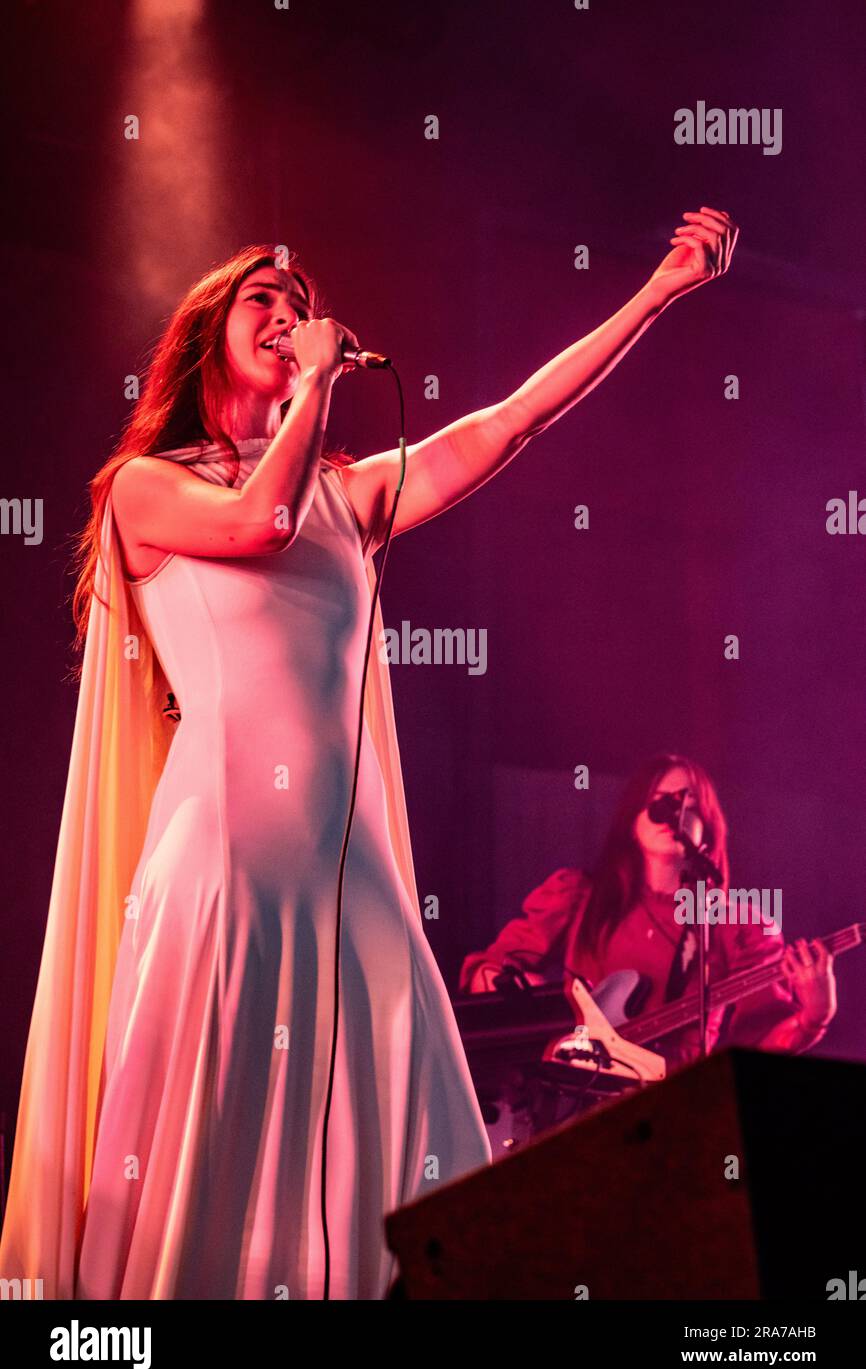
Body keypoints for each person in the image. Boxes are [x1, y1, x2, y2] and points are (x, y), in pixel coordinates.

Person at [0, 210, 738, 1300]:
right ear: (207, 334)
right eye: (263, 299)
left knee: (421, 1176)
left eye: (299, 307)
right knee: (215, 1165)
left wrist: (657, 292)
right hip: (225, 871)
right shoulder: (147, 488)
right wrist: (315, 389)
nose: (290, 315)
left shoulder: (345, 499)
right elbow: (256, 521)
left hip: (353, 885)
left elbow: (513, 422)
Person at [459, 753, 837, 1079]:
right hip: (570, 1096)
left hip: (675, 1105)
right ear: (633, 819)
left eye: (688, 803)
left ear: (706, 829)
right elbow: (488, 970)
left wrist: (814, 1015)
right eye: (660, 800)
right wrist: (519, 991)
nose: (674, 812)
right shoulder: (578, 897)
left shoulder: (735, 925)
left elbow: (756, 1047)